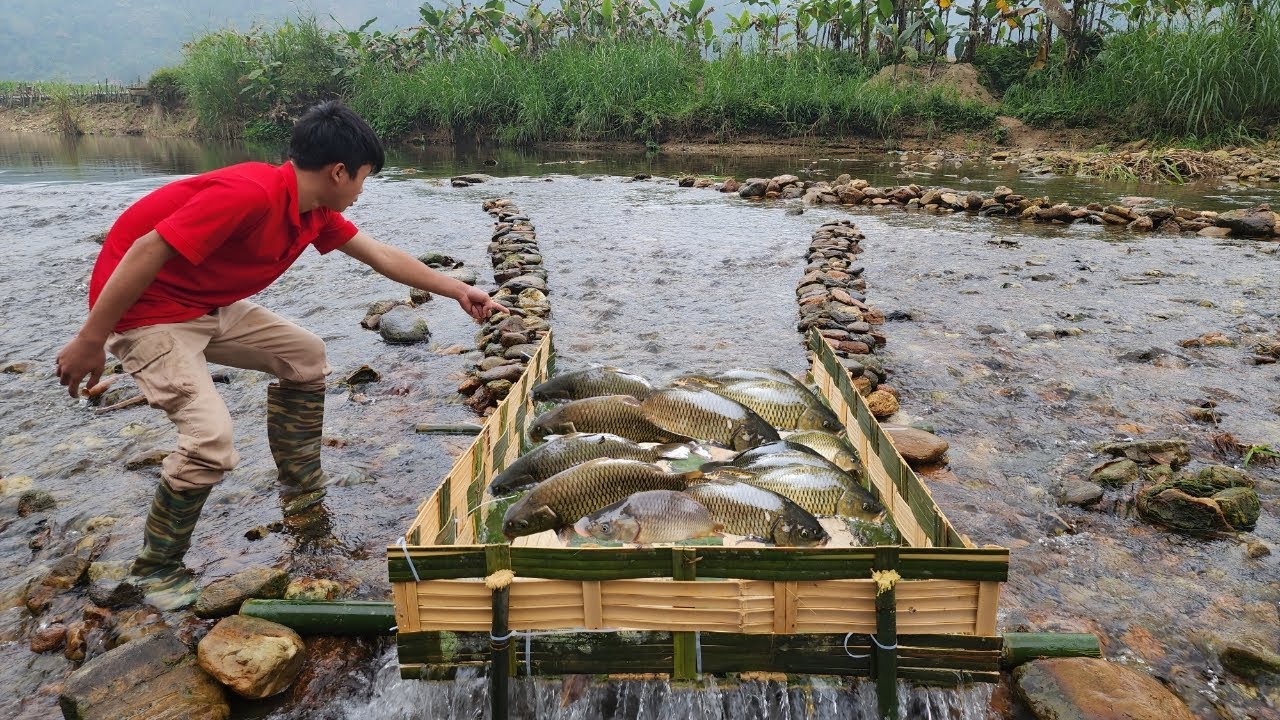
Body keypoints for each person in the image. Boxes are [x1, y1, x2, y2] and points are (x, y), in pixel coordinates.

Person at [54, 101, 504, 609]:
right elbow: (144, 250)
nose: (360, 192)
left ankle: (302, 490)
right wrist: (92, 338)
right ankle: (156, 569)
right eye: (362, 180)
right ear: (338, 172)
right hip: (148, 315)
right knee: (209, 441)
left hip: (205, 305)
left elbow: (381, 256)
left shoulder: (312, 212)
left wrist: (458, 291)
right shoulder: (249, 193)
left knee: (306, 356)